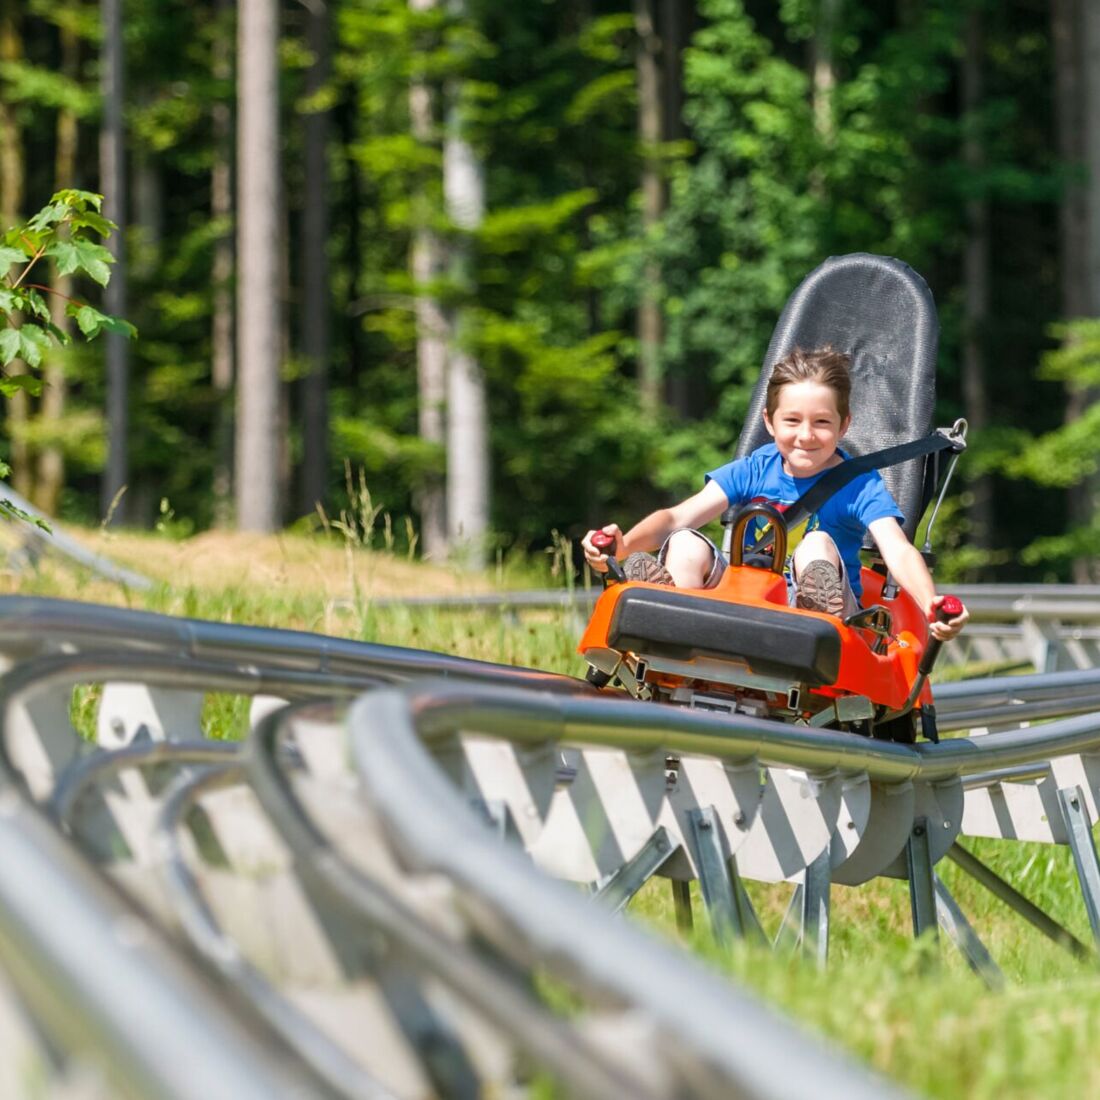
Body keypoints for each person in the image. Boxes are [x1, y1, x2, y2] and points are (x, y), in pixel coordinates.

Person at [582, 346, 968, 642]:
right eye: (792, 421)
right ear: (769, 422)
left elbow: (896, 548)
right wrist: (623, 546)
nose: (805, 435)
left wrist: (929, 602)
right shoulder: (755, 468)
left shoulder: (860, 484)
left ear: (843, 425)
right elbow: (676, 518)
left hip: (826, 620)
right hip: (742, 597)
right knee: (684, 542)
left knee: (816, 543)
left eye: (821, 422)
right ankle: (677, 630)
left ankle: (814, 616)